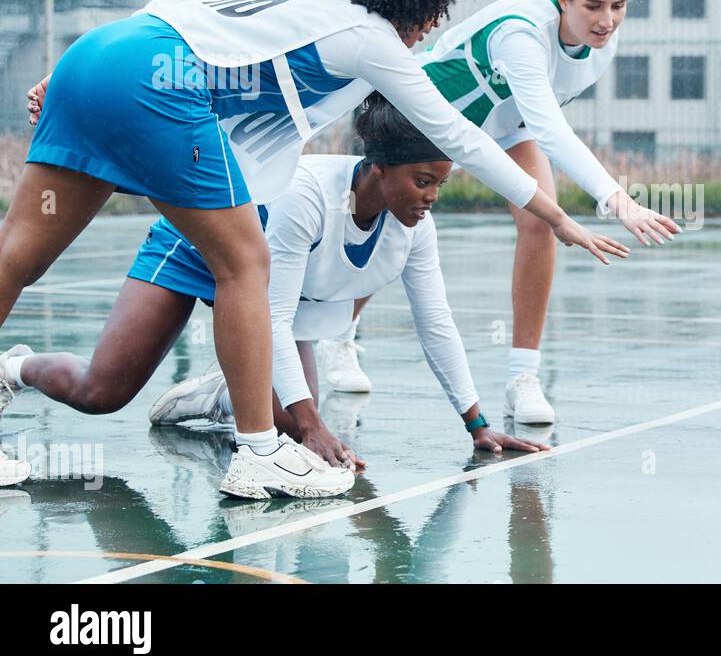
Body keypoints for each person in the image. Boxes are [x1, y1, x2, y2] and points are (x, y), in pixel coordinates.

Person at [0, 0, 623, 495]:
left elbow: (170, 14)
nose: (435, 22)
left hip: (96, 55)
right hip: (156, 85)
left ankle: (239, 422)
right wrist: (557, 216)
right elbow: (463, 137)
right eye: (435, 5)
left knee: (16, 256)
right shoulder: (368, 37)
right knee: (245, 262)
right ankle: (259, 454)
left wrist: (80, 78)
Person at [329, 0, 680, 425]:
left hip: (508, 127)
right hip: (433, 112)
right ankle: (339, 338)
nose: (607, 20)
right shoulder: (521, 31)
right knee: (397, 221)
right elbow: (553, 129)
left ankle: (523, 379)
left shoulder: (604, 41)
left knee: (541, 223)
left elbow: (538, 121)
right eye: (593, 6)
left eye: (618, 6)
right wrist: (618, 200)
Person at [142, 94, 546, 481]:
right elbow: (274, 316)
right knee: (101, 393)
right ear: (379, 168)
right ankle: (244, 371)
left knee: (290, 416)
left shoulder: (415, 226)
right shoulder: (306, 194)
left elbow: (436, 322)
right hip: (198, 251)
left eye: (440, 184)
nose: (432, 197)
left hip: (268, 288)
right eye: (424, 181)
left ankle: (228, 389)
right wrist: (315, 427)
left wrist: (478, 425)